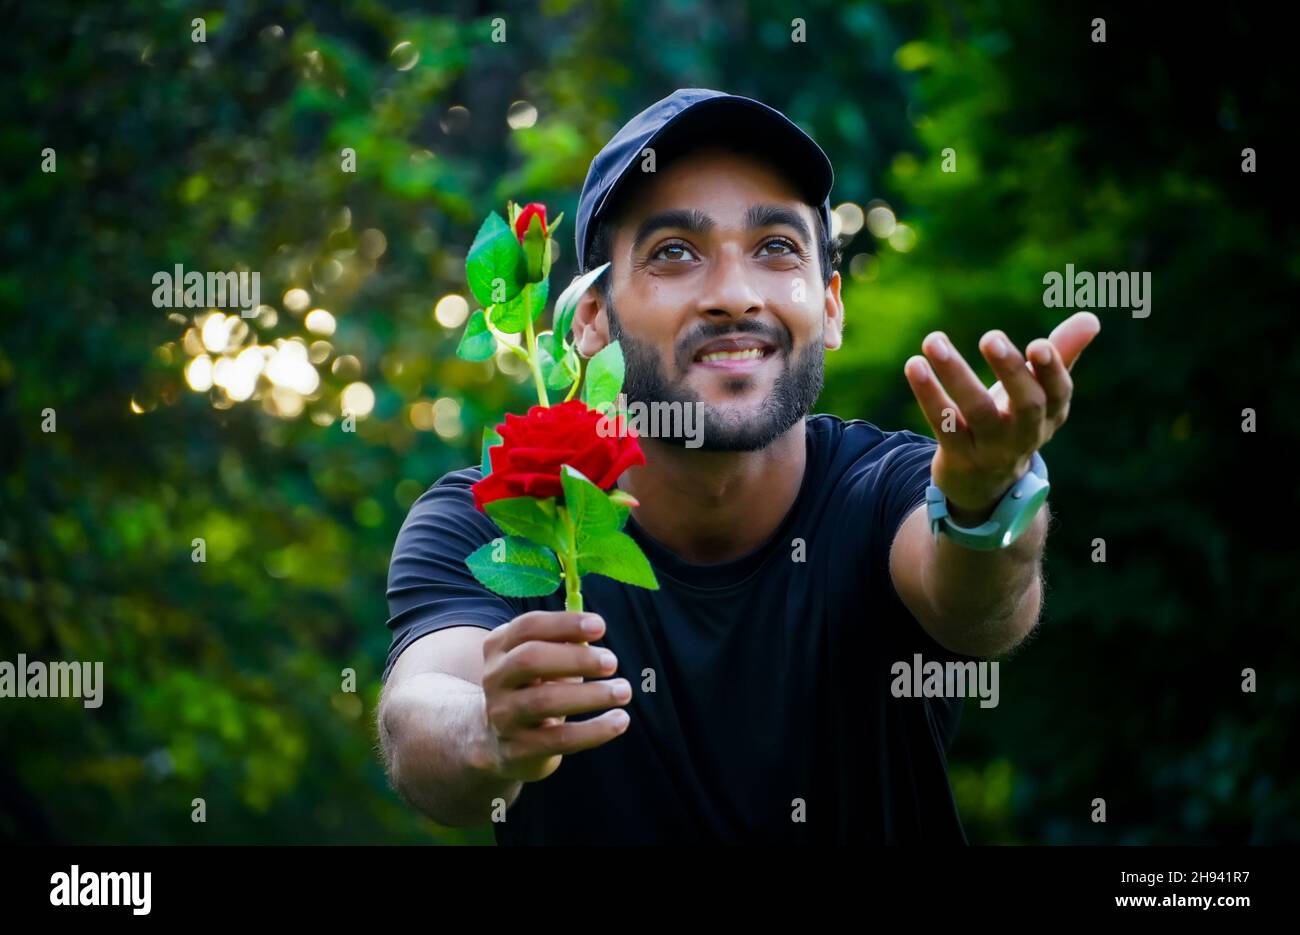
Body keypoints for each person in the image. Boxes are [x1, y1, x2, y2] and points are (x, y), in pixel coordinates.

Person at [377, 88, 1099, 844]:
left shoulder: (882, 489)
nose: (732, 294)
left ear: (830, 305)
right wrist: (487, 730)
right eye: (675, 253)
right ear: (589, 320)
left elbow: (981, 606)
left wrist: (987, 505)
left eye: (776, 248)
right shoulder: (501, 514)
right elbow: (419, 716)